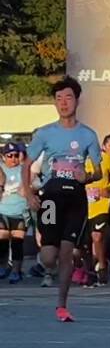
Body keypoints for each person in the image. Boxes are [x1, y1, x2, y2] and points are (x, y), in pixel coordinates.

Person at [24, 76, 103, 321]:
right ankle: (52, 267)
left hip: (76, 198)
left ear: (77, 100)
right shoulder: (45, 134)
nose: (63, 103)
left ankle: (62, 305)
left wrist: (87, 176)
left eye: (68, 97)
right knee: (49, 257)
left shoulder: (88, 135)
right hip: (51, 197)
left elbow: (99, 171)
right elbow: (26, 164)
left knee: (67, 251)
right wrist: (29, 194)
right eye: (58, 99)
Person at [83, 135, 110, 286]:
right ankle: (89, 271)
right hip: (85, 204)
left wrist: (109, 188)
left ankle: (102, 266)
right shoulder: (80, 158)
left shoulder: (106, 158)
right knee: (85, 241)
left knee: (97, 237)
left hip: (101, 204)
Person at [0, 143, 29, 283]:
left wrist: (28, 188)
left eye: (16, 155)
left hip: (19, 212)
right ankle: (3, 266)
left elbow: (36, 184)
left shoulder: (24, 170)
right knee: (2, 240)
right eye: (9, 156)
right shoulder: (1, 169)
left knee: (17, 243)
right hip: (2, 211)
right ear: (3, 157)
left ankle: (16, 271)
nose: (13, 159)